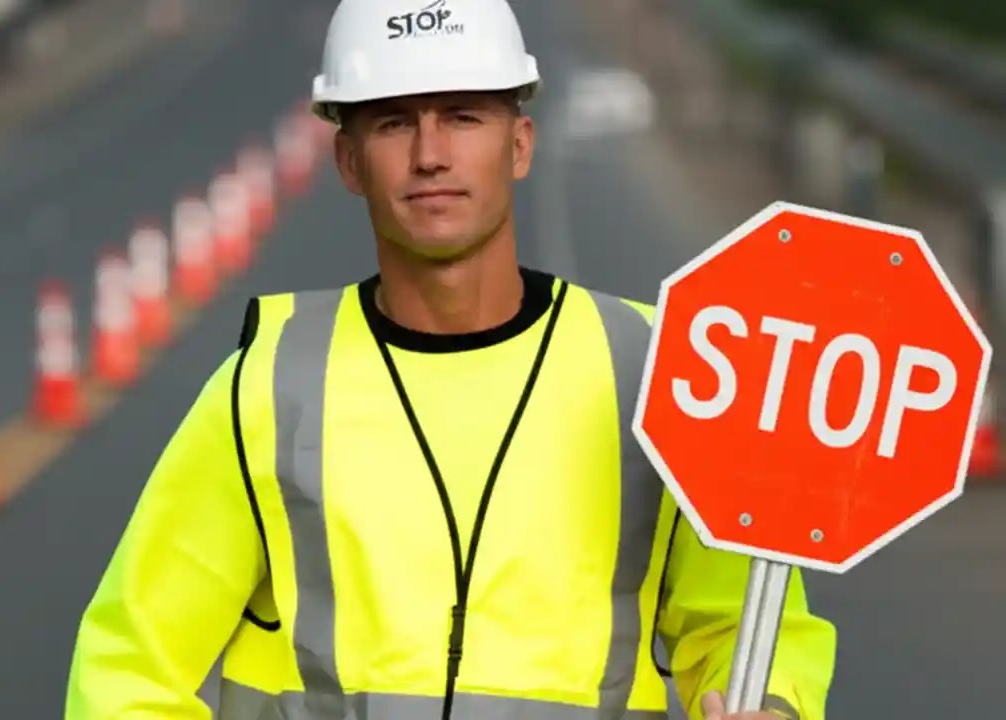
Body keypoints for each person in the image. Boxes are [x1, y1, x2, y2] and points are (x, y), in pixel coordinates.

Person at [63, 0, 837, 717]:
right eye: (394, 123)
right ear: (349, 161)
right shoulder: (271, 386)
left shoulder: (658, 374)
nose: (431, 154)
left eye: (463, 116)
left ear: (520, 143)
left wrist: (770, 701)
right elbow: (130, 667)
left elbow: (748, 622)